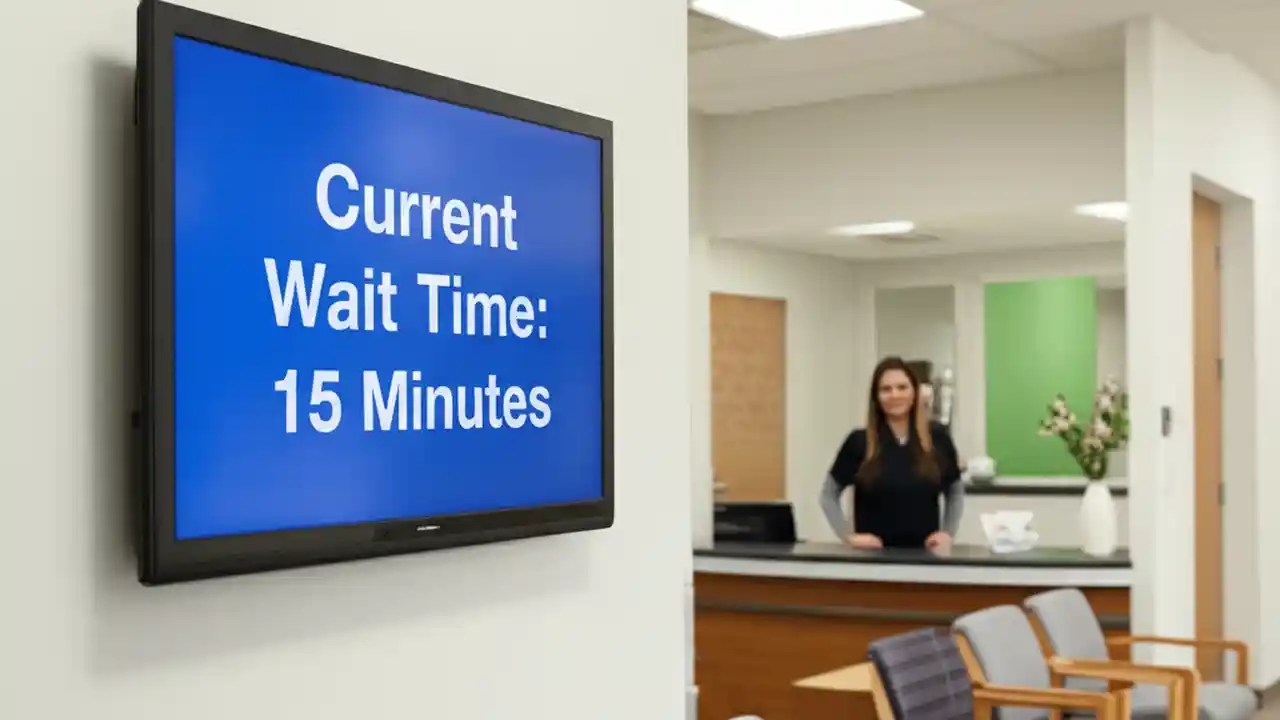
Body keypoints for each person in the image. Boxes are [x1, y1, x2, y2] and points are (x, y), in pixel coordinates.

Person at [820, 356, 964, 550]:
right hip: (872, 560)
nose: (895, 394)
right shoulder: (859, 442)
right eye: (886, 389)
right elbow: (828, 494)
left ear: (914, 392)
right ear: (876, 397)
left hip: (927, 558)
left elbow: (955, 490)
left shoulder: (937, 438)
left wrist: (947, 533)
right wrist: (848, 536)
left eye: (902, 387)